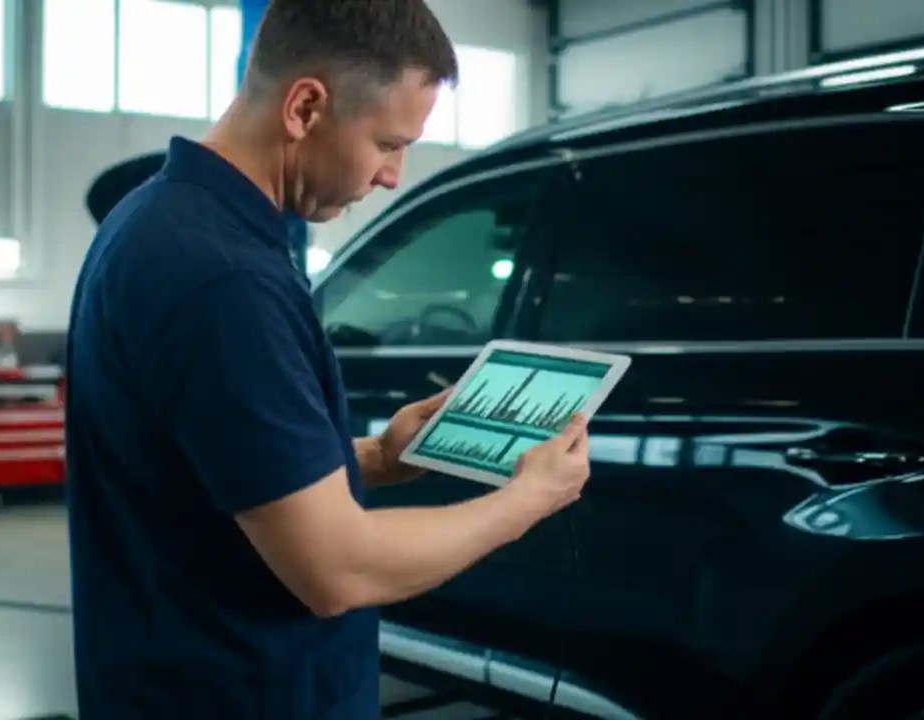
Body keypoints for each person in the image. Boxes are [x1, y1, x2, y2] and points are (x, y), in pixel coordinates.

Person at [64, 1, 592, 718]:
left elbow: (207, 467)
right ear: (306, 107)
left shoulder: (157, 219)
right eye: (387, 143)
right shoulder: (223, 278)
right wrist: (529, 499)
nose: (392, 176)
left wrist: (377, 456)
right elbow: (337, 568)